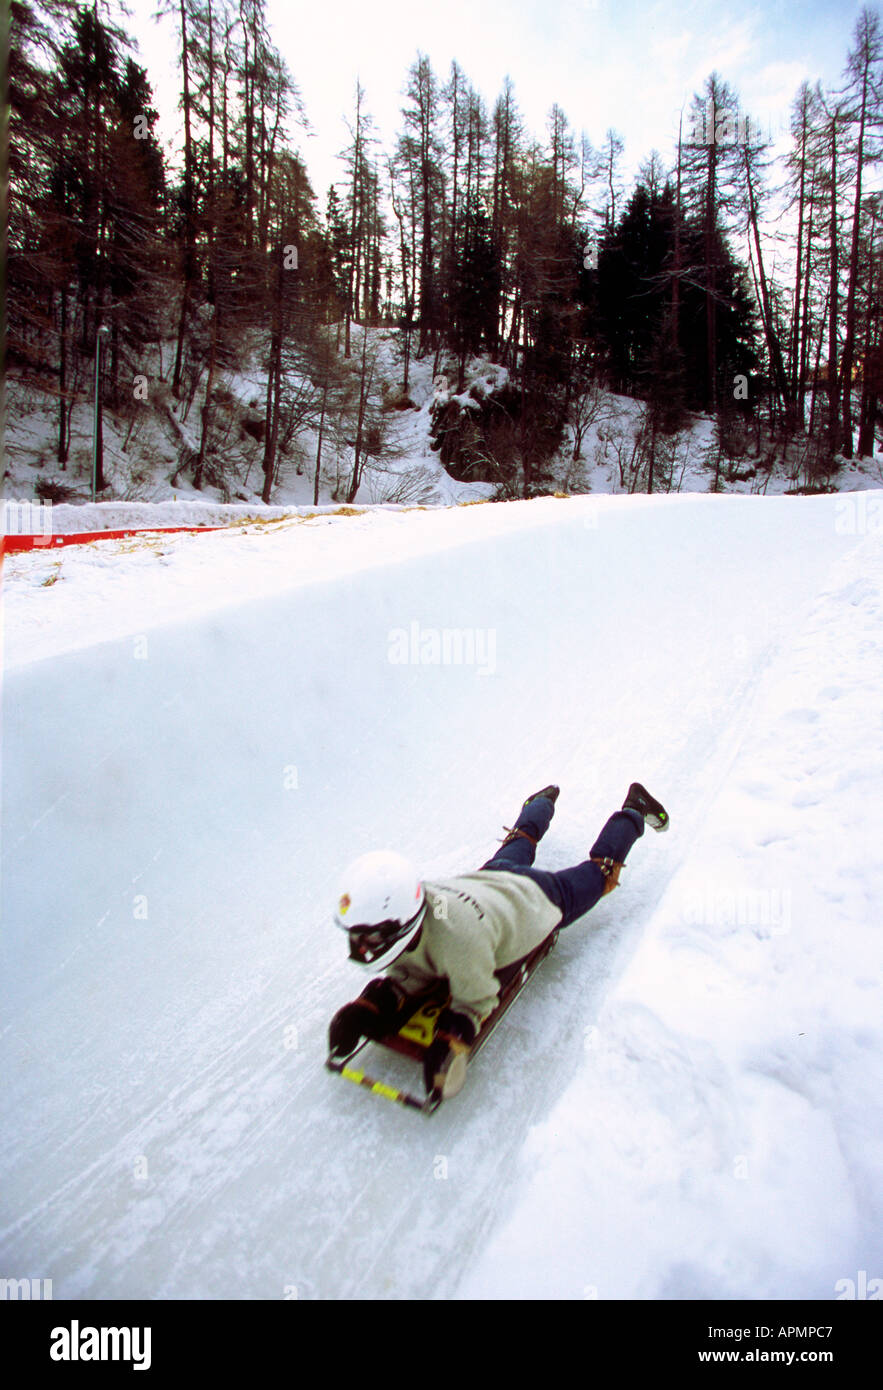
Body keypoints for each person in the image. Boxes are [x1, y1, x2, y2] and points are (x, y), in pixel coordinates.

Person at [328, 783, 669, 1099]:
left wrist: (451, 1043)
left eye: (367, 936)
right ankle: (539, 804)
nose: (361, 947)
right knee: (518, 843)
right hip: (487, 883)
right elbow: (414, 967)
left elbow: (477, 1000)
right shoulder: (417, 901)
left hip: (534, 897)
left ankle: (633, 809)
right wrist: (370, 1007)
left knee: (600, 873)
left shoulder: (460, 943)